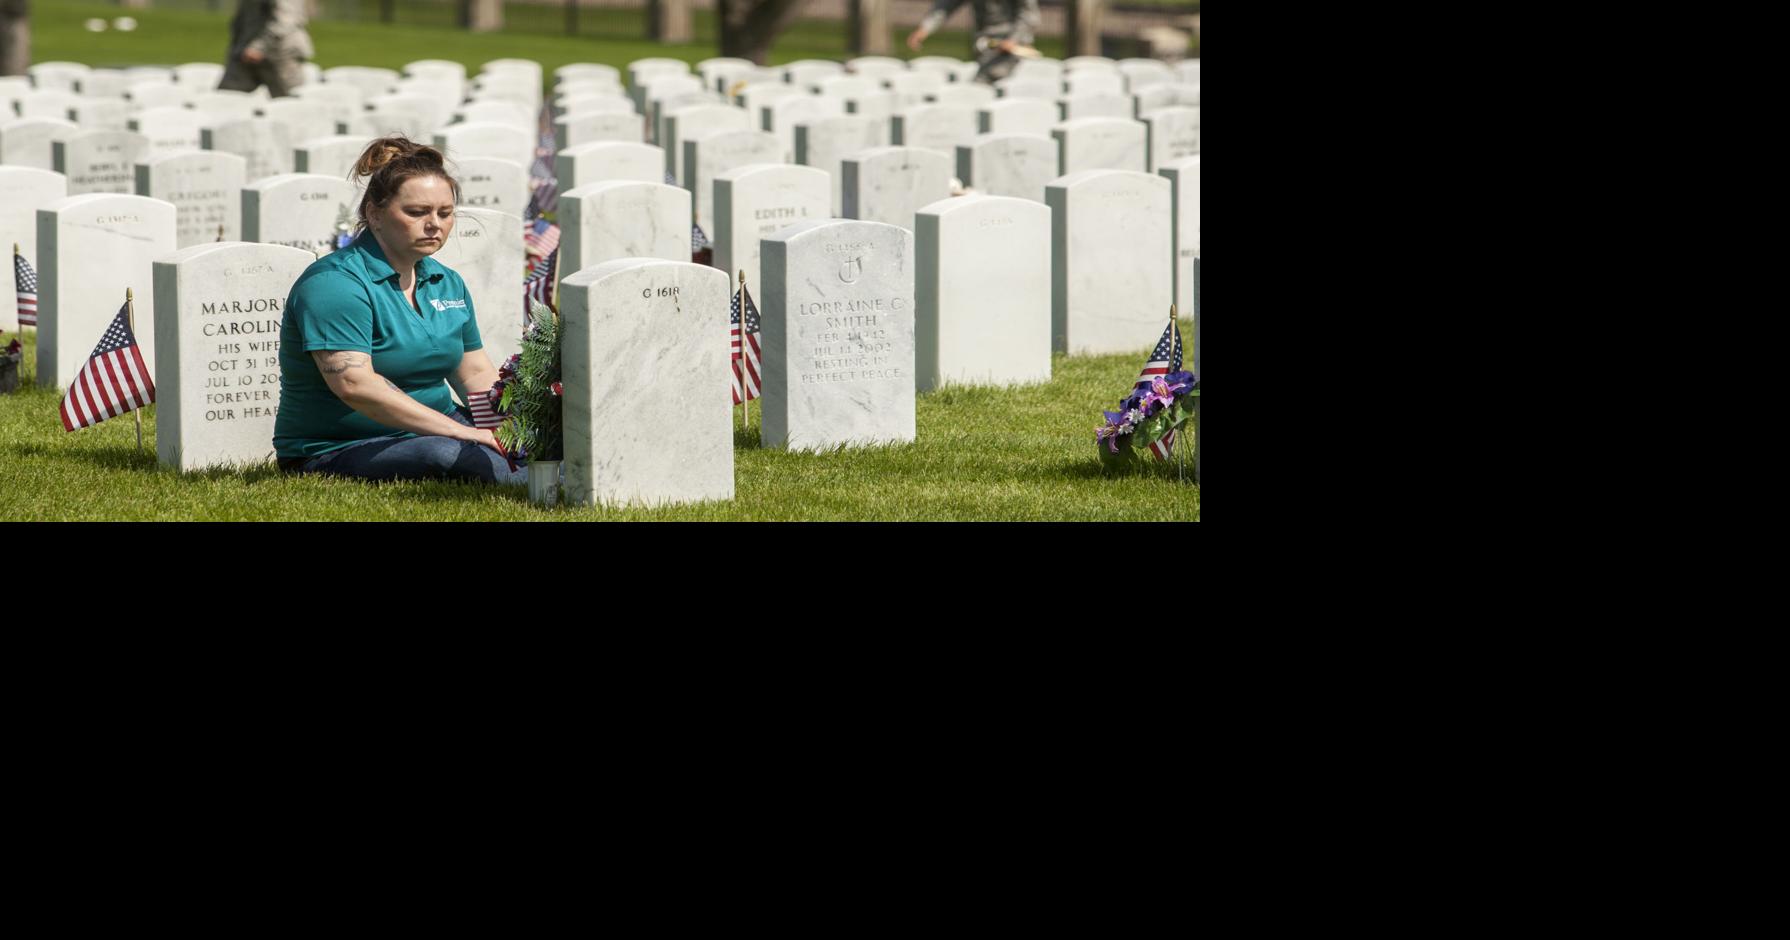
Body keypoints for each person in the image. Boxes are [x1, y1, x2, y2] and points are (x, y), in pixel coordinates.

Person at [273, 137, 525, 486]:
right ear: (375, 214)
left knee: (531, 456)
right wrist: (461, 432)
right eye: (417, 212)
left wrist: (508, 430)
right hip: (341, 445)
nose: (434, 224)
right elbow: (354, 385)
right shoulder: (335, 284)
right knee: (456, 458)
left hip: (439, 427)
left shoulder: (445, 281)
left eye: (445, 213)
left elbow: (473, 372)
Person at [906, 0, 1042, 85]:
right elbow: (945, 6)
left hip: (1011, 48)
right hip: (985, 44)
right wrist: (925, 28)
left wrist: (1013, 39)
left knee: (983, 84)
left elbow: (1029, 15)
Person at [219, 0, 313, 98]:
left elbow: (286, 21)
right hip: (245, 51)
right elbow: (243, 17)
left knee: (289, 101)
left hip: (282, 52)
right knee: (226, 97)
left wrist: (258, 47)